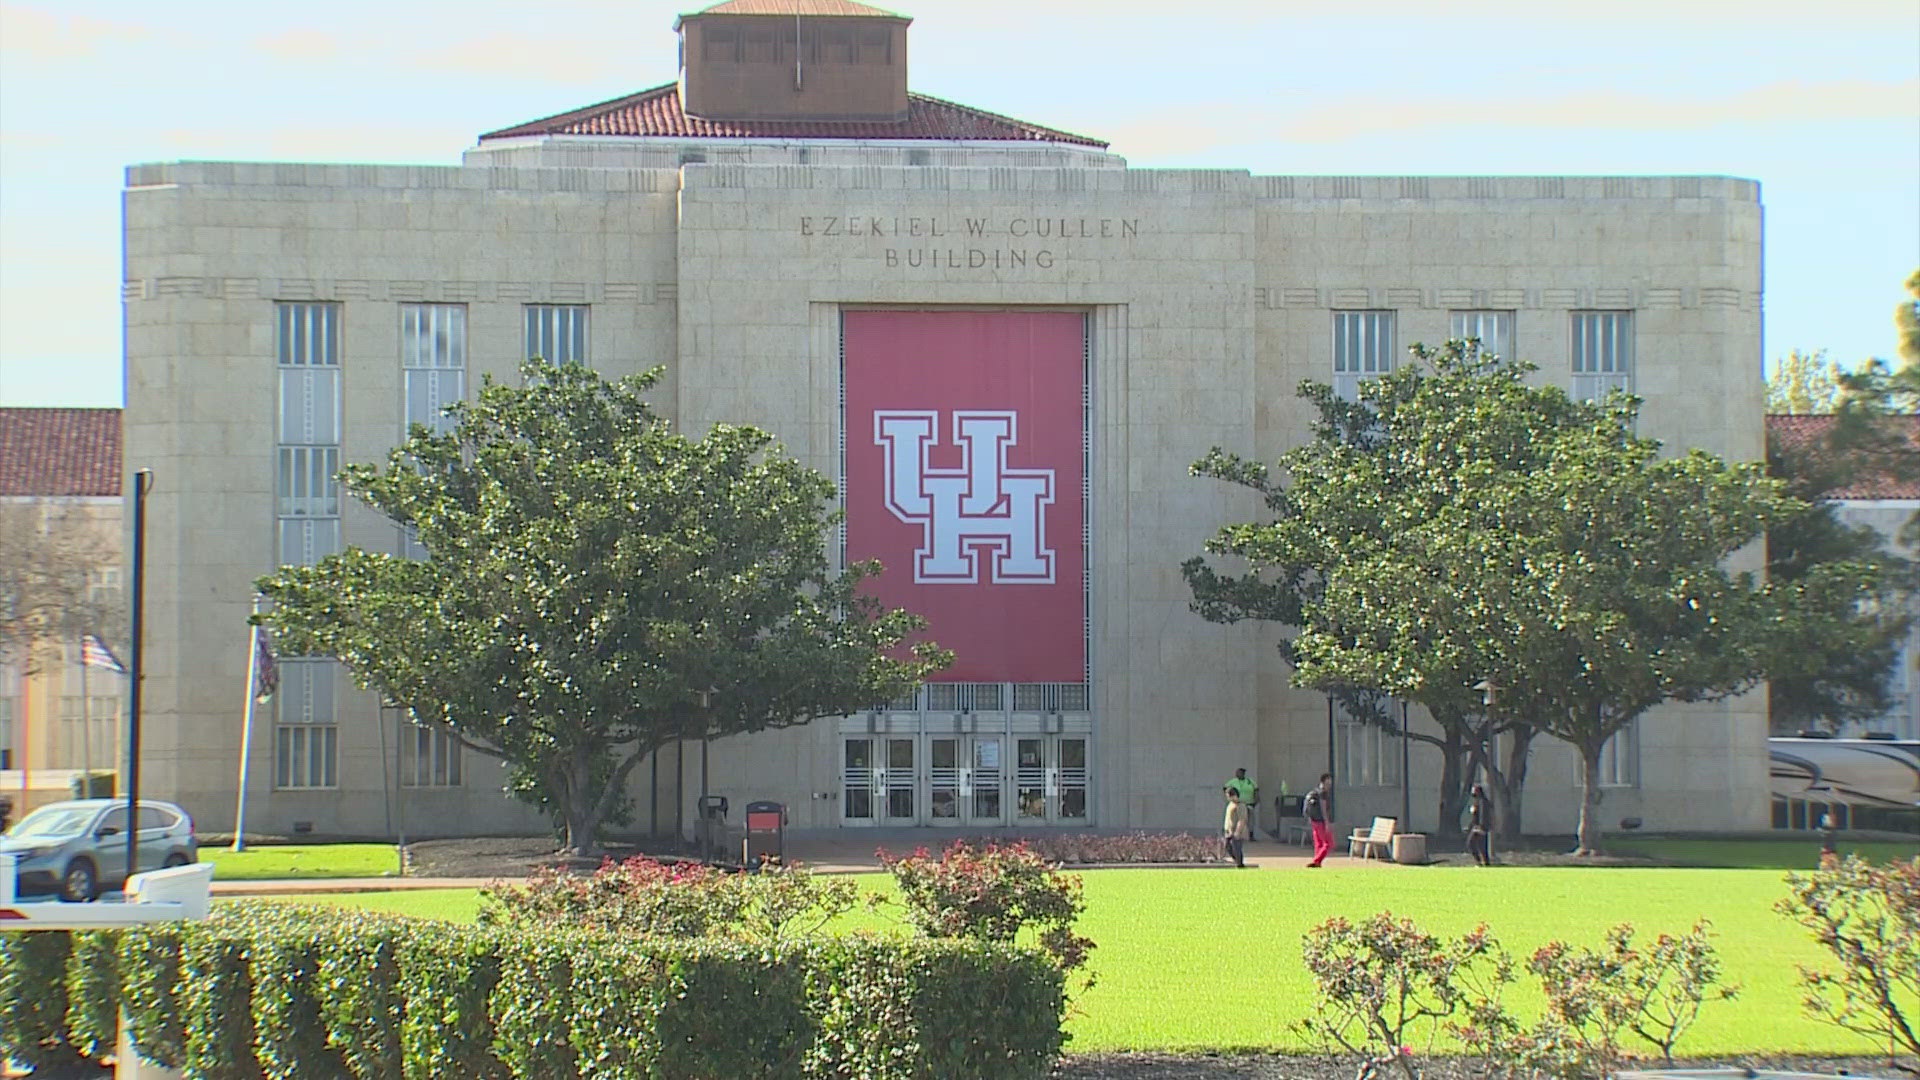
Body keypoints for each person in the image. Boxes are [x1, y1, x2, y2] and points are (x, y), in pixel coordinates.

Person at [1302, 772, 1334, 868]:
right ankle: (1316, 861)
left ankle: (1317, 862)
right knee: (1329, 843)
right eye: (1328, 784)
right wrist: (1327, 822)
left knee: (1318, 843)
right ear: (1323, 782)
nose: (1329, 786)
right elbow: (1323, 808)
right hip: (1321, 821)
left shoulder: (1314, 792)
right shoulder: (1322, 794)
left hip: (1313, 821)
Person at [1224, 768, 1258, 844]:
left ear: (1243, 774)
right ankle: (1231, 833)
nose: (1238, 774)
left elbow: (1256, 790)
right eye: (1237, 773)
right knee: (1233, 818)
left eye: (1239, 773)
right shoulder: (1233, 782)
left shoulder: (1250, 782)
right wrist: (1230, 798)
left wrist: (1255, 801)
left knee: (1248, 819)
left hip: (1248, 803)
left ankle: (1249, 835)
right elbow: (1226, 789)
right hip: (1235, 803)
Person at [1467, 783, 1493, 866]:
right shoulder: (1479, 801)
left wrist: (1481, 827)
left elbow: (1483, 815)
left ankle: (1481, 862)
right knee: (1480, 846)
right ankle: (1484, 862)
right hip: (1477, 827)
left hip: (1480, 828)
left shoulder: (1482, 802)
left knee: (1472, 844)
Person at [1223, 789, 1250, 867]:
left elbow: (1242, 819)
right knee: (1228, 847)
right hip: (1229, 830)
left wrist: (1238, 831)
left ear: (1234, 795)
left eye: (1228, 796)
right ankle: (1237, 861)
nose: (1227, 798)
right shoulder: (1230, 805)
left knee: (1237, 848)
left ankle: (1239, 864)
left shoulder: (1240, 805)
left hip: (1237, 831)